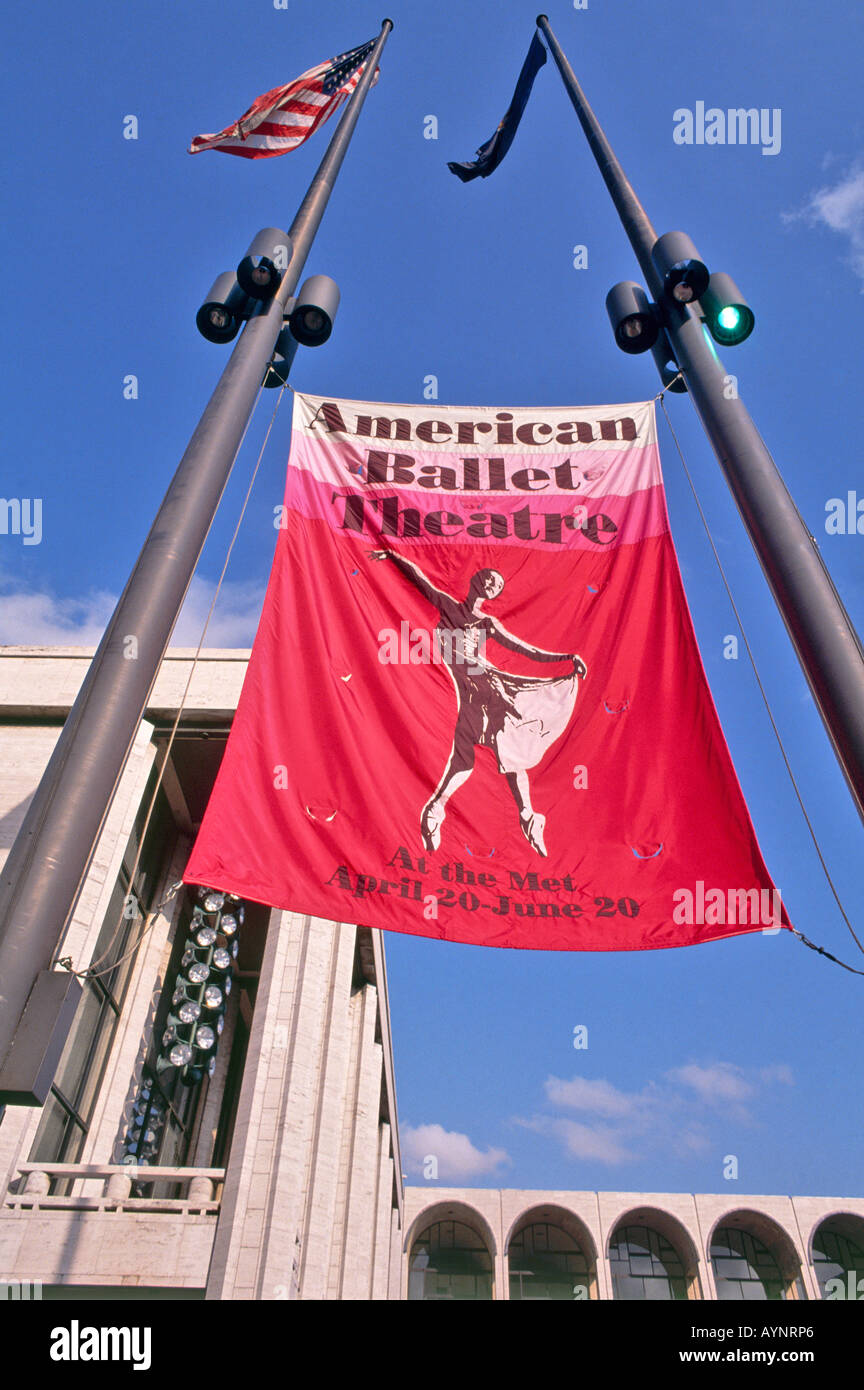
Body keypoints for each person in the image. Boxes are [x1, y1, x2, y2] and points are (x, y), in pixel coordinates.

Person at [369, 549, 587, 856]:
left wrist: (565, 658)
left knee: (505, 751)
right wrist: (393, 555)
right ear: (475, 581)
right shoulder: (448, 607)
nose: (491, 583)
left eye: (497, 584)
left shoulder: (488, 624)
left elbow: (527, 651)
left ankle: (447, 812)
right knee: (473, 754)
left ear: (495, 594)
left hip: (489, 687)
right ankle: (514, 816)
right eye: (488, 578)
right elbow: (419, 580)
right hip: (464, 686)